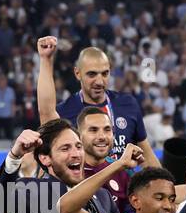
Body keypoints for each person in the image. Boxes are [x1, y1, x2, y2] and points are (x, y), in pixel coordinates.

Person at [38, 37, 155, 165]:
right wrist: (46, 60)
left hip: (123, 183)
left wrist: (167, 183)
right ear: (77, 73)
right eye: (92, 74)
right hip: (86, 184)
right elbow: (46, 114)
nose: (99, 82)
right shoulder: (64, 112)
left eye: (105, 74)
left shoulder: (128, 104)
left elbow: (147, 156)